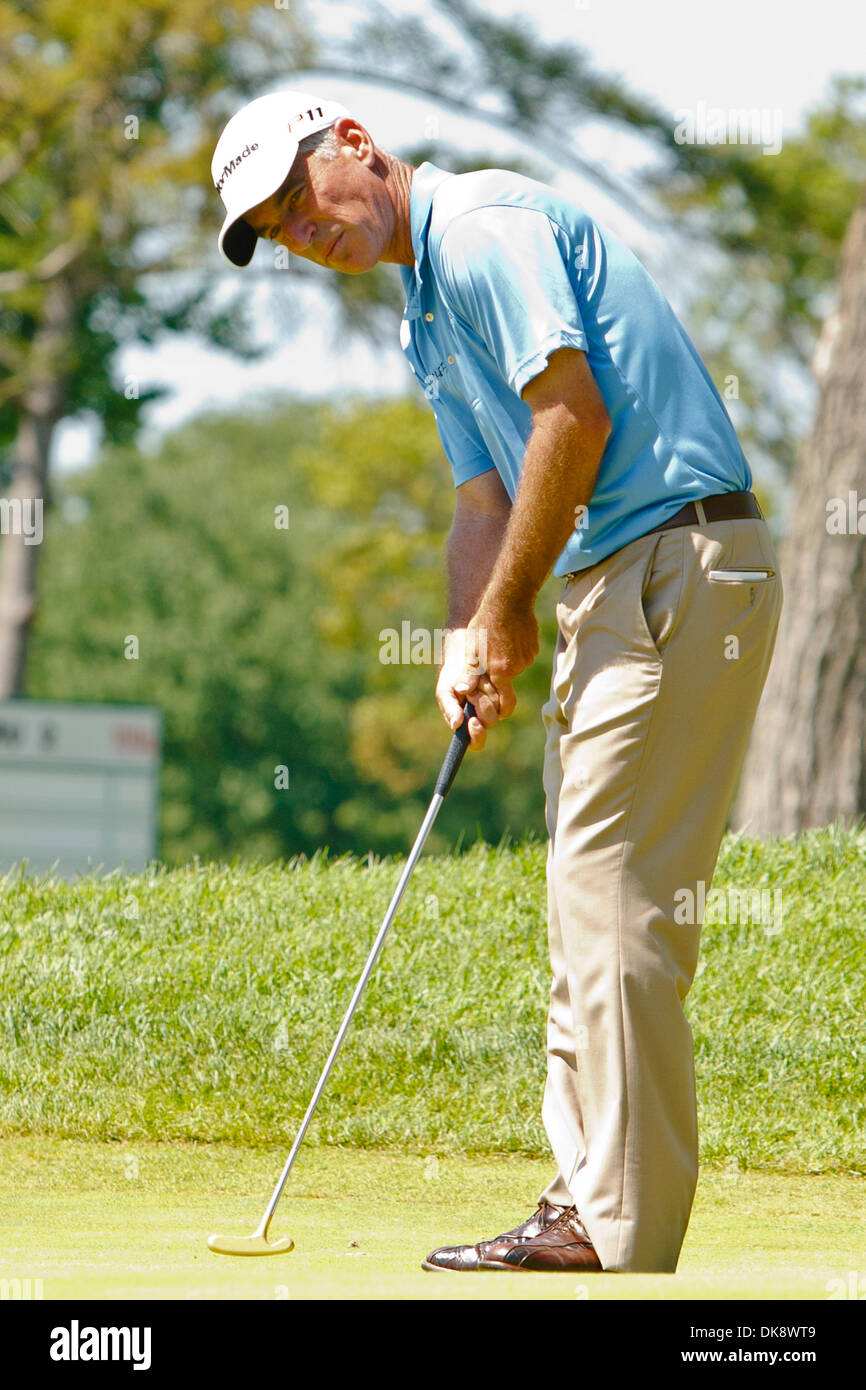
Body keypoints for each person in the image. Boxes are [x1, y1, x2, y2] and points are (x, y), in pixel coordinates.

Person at [211, 90, 782, 1273]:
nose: (301, 236)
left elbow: (570, 417)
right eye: (275, 230)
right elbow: (482, 496)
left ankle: (610, 1220)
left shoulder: (478, 229)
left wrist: (513, 607)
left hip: (672, 558)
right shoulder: (422, 310)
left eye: (296, 200)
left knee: (614, 895)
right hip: (616, 579)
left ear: (355, 148)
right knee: (585, 896)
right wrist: (467, 638)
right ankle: (588, 1195)